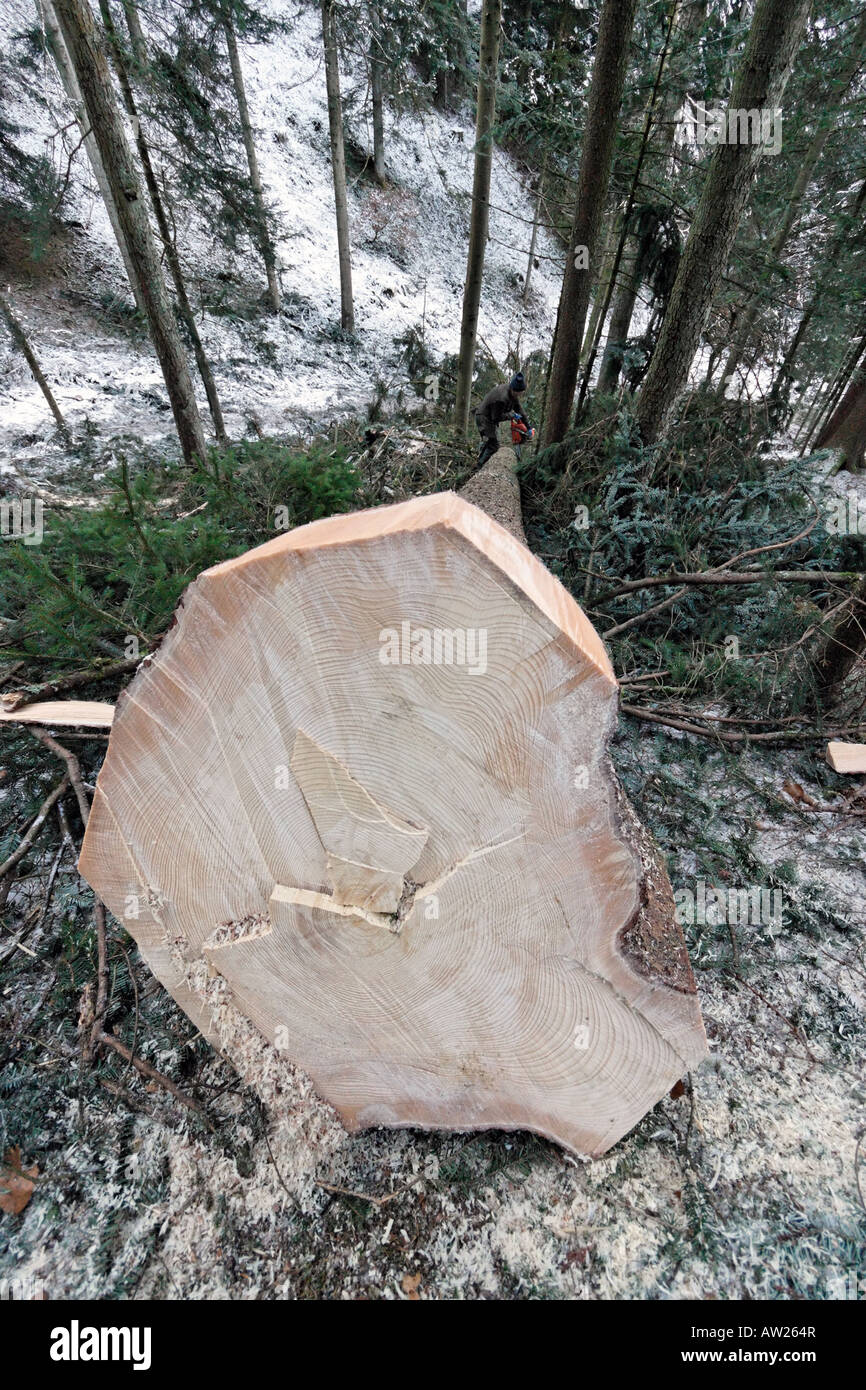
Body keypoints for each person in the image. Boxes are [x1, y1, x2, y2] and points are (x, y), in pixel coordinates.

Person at [474, 372, 529, 466]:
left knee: (489, 442)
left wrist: (528, 428)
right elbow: (496, 417)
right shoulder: (501, 398)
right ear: (513, 389)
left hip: (489, 418)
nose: (519, 395)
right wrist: (511, 416)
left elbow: (521, 411)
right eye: (518, 393)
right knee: (493, 445)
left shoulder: (513, 395)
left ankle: (479, 464)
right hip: (484, 417)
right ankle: (479, 467)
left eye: (521, 392)